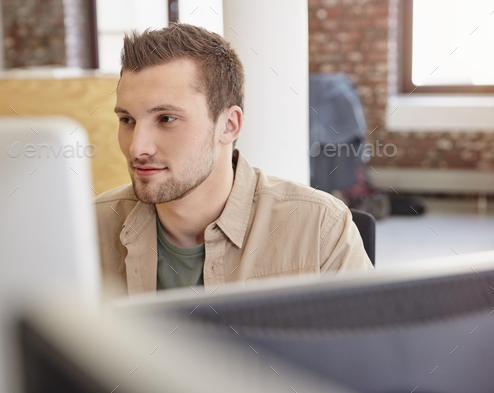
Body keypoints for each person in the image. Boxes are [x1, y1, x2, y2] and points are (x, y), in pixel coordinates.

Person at [95, 23, 373, 298]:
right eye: (127, 120)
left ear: (229, 125)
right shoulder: (87, 228)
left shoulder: (320, 228)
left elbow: (367, 342)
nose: (136, 147)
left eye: (166, 119)